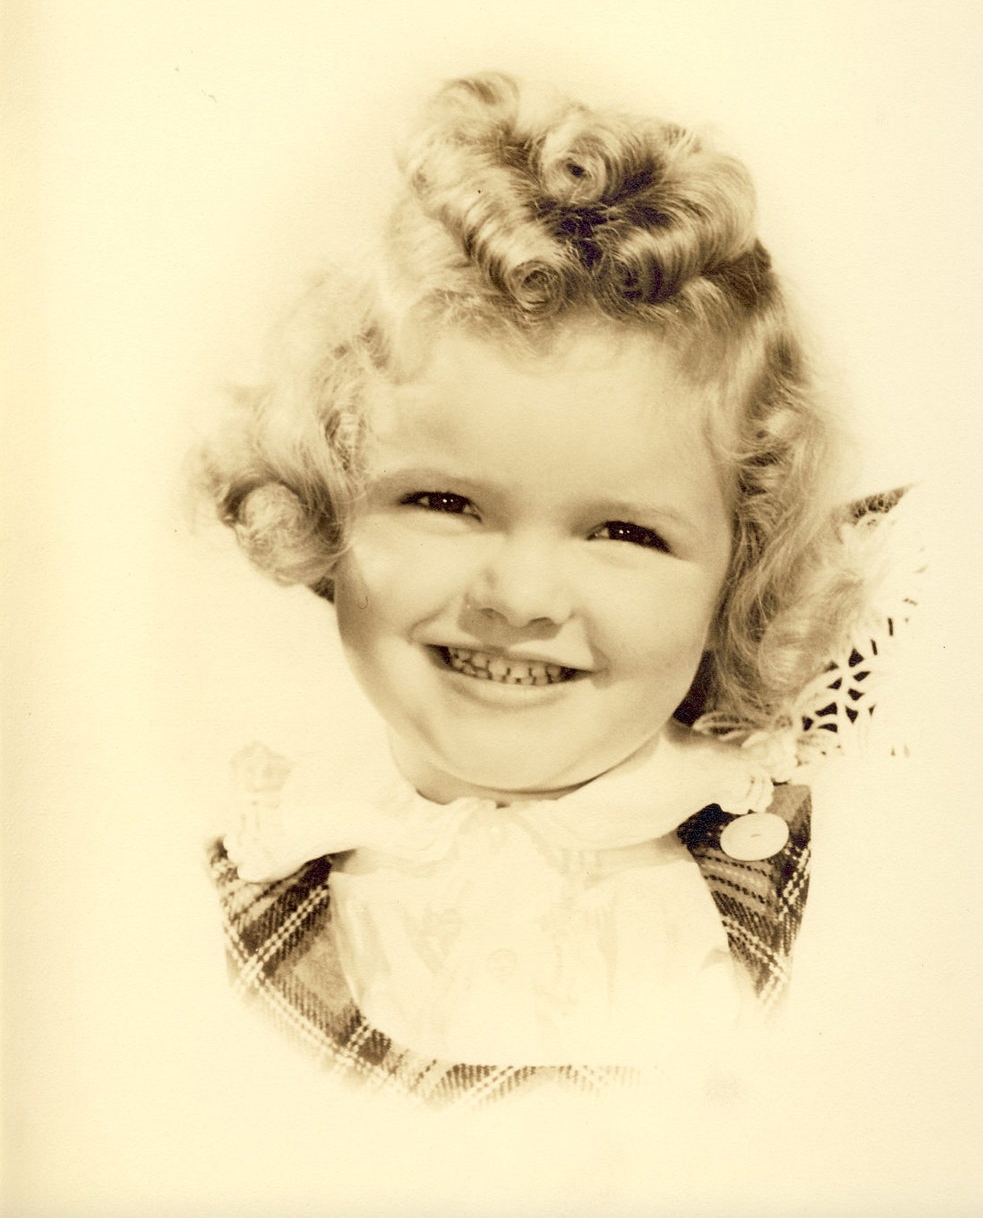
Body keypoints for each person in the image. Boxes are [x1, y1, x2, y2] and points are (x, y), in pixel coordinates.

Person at [197, 71, 915, 1106]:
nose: (521, 593)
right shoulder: (249, 870)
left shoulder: (836, 878)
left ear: (739, 576)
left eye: (625, 530)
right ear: (324, 506)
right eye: (442, 501)